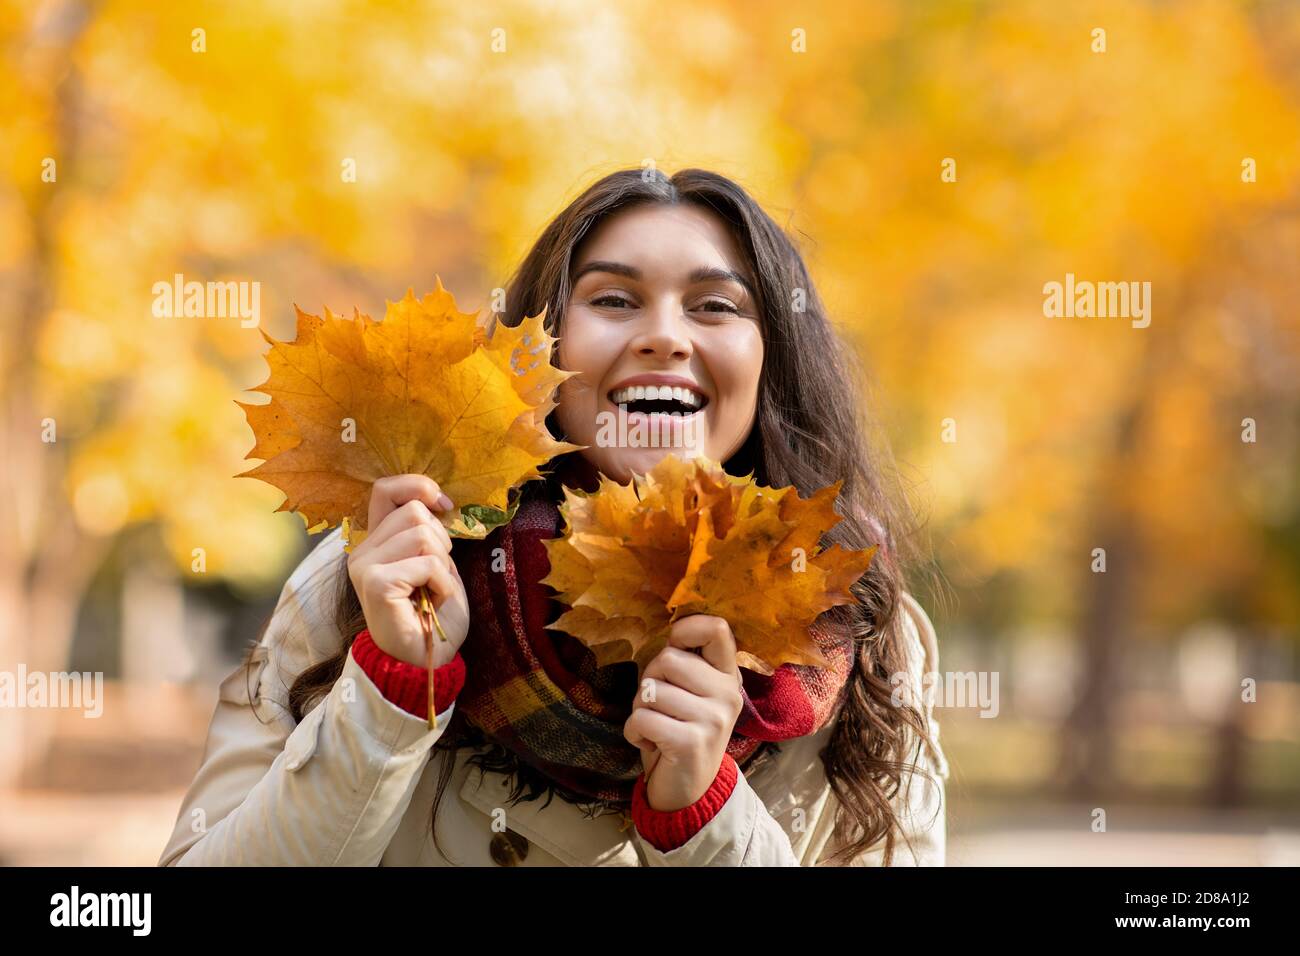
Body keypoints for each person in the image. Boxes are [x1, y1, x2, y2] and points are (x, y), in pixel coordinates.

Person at [158, 167, 949, 867]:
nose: (665, 336)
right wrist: (394, 696)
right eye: (613, 299)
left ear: (772, 357)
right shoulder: (385, 573)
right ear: (545, 351)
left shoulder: (863, 627)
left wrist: (706, 817)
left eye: (714, 305)